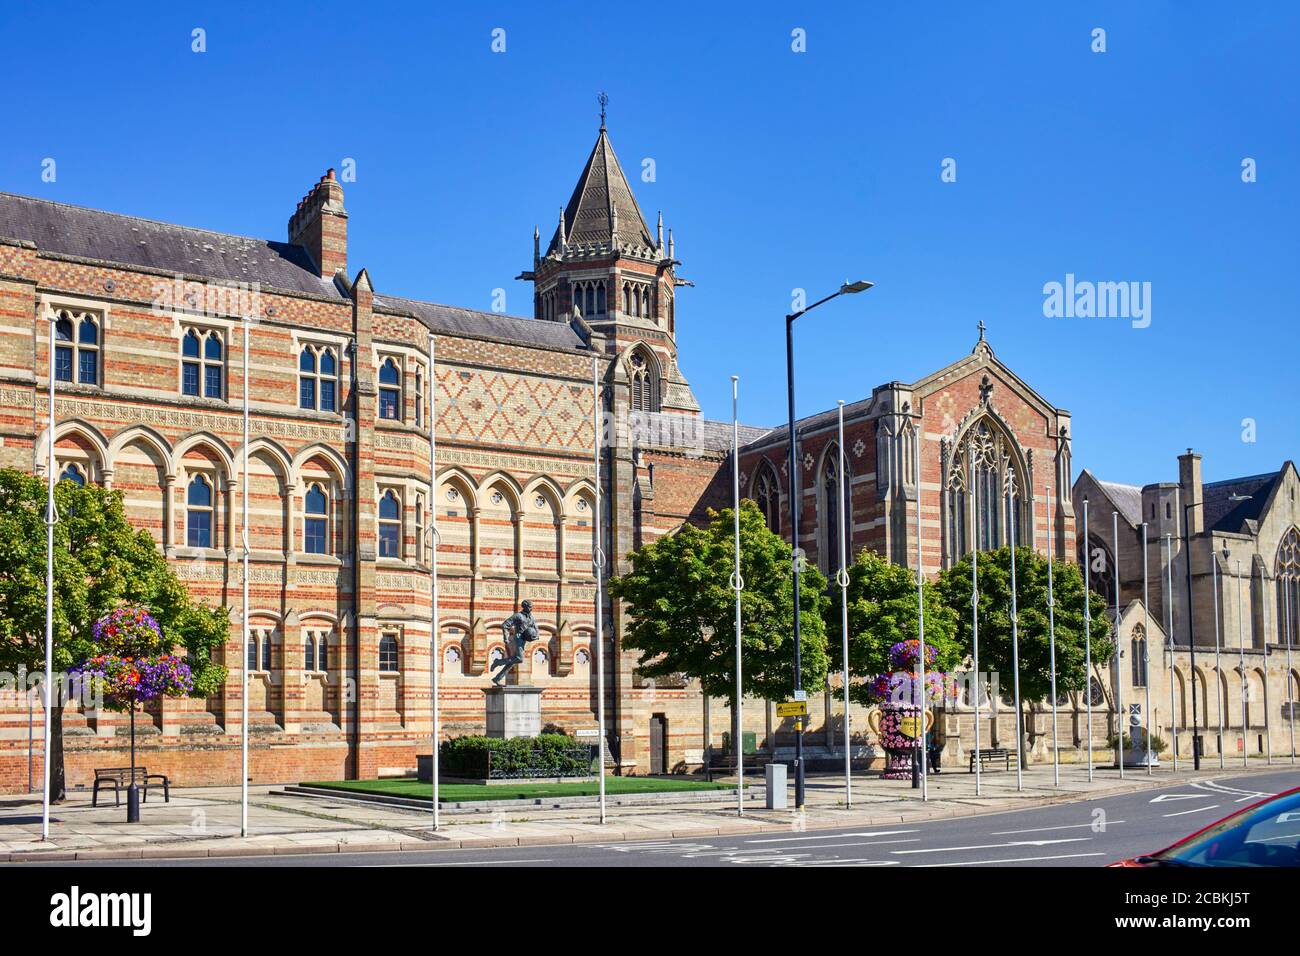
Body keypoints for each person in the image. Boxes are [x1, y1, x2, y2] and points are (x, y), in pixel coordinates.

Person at [490, 600, 539, 686]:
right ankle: (498, 662)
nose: (531, 609)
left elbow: (535, 627)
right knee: (519, 659)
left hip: (524, 639)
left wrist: (536, 636)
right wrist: (506, 637)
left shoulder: (531, 617)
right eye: (530, 607)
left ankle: (497, 678)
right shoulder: (518, 616)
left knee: (513, 661)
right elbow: (505, 625)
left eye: (532, 607)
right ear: (525, 607)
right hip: (518, 638)